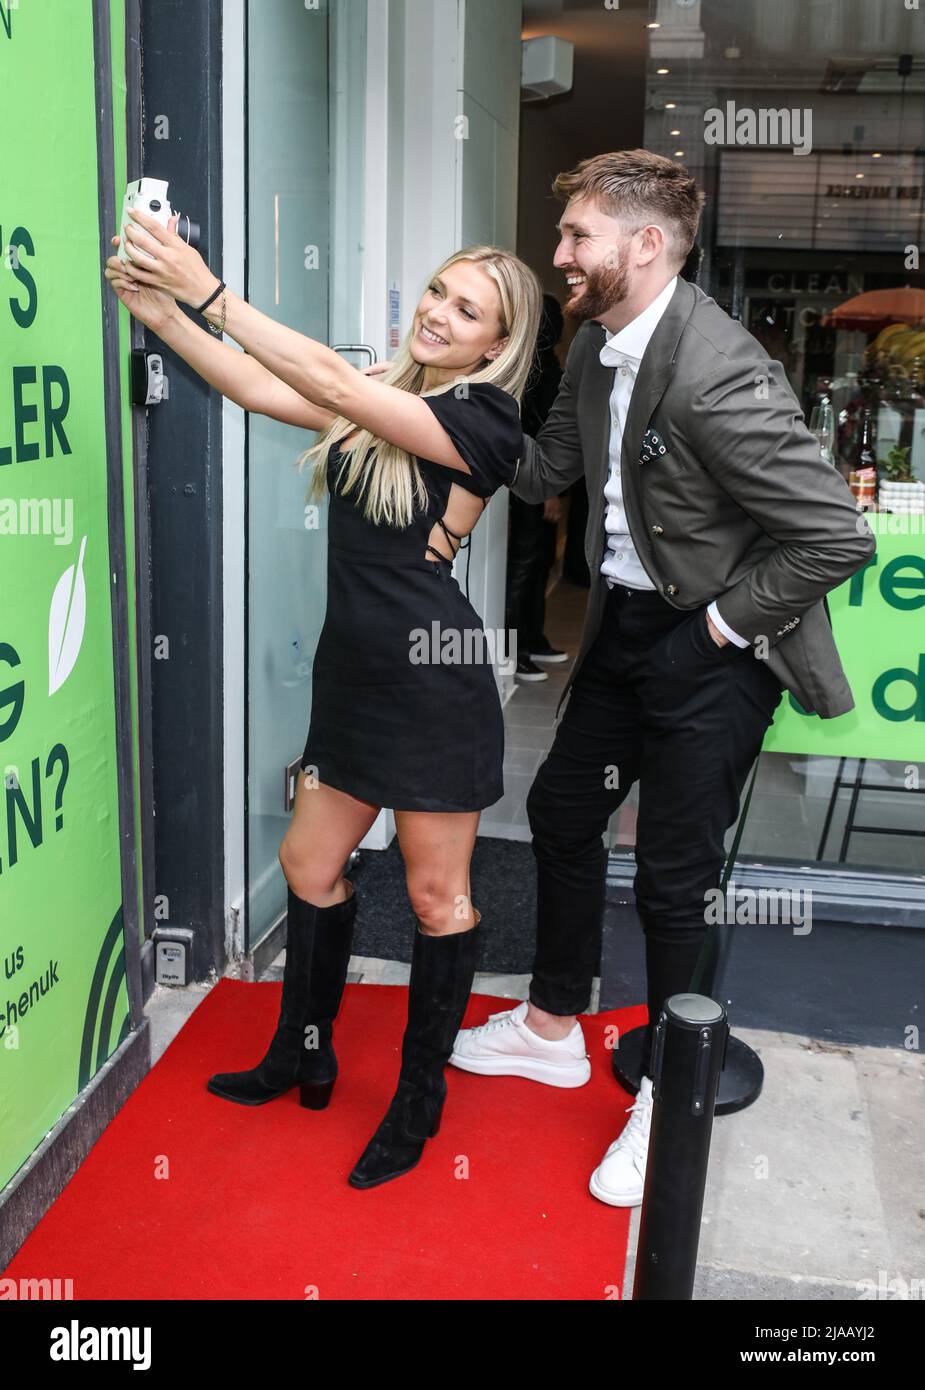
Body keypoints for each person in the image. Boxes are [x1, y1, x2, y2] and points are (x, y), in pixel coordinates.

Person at [449, 149, 876, 1206]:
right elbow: (547, 471)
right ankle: (552, 1024)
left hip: (714, 650)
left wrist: (717, 633)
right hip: (627, 627)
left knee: (676, 876)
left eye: (576, 237)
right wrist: (459, 385)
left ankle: (668, 1097)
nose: (558, 257)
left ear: (646, 245)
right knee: (558, 811)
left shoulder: (718, 371)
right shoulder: (597, 344)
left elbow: (834, 535)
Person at [104, 210, 541, 1189]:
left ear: (496, 343)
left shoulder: (483, 421)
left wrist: (208, 289)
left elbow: (329, 378)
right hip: (355, 679)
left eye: (465, 309)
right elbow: (265, 386)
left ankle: (417, 1104)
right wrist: (164, 315)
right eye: (437, 291)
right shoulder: (391, 393)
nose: (437, 313)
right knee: (307, 861)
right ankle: (304, 1046)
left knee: (438, 898)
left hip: (433, 689)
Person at [506, 293, 570, 680]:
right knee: (524, 566)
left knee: (539, 562)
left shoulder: (543, 362)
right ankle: (515, 653)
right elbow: (537, 431)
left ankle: (533, 639)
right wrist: (550, 491)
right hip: (531, 481)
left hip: (537, 479)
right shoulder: (533, 368)